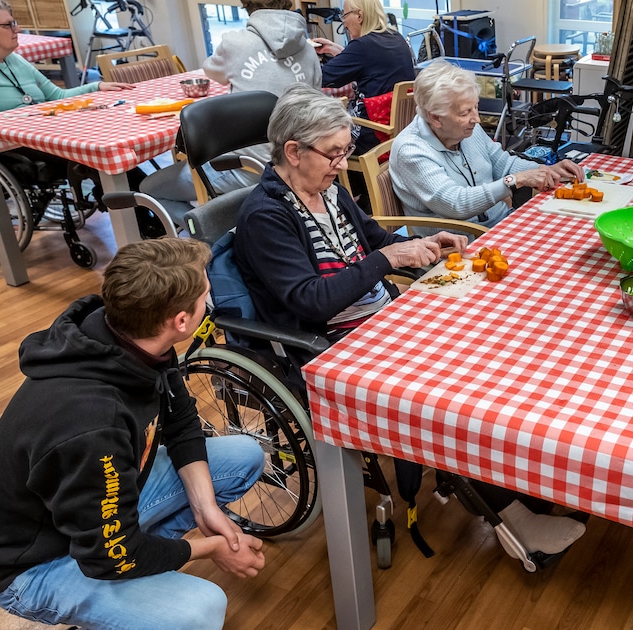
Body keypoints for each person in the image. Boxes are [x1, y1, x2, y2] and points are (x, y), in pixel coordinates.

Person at [235, 84, 586, 561]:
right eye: (334, 154)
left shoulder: (328, 191)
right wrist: (387, 256)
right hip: (328, 343)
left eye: (345, 152)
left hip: (378, 317)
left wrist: (421, 241)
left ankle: (513, 481)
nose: (342, 164)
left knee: (488, 349)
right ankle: (513, 518)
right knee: (451, 392)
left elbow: (375, 237)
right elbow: (311, 301)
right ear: (293, 152)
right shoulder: (266, 216)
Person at [0, 238, 268, 630]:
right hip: (31, 565)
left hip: (87, 514)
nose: (210, 297)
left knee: (244, 455)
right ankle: (129, 586)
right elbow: (110, 555)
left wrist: (207, 509)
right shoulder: (92, 425)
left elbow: (180, 420)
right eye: (206, 292)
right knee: (201, 609)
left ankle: (135, 574)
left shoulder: (136, 337)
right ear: (180, 320)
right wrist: (211, 549)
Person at [0, 0, 136, 211]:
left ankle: (144, 209)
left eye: (14, 23)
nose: (16, 29)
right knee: (99, 151)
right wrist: (31, 118)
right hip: (12, 144)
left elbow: (57, 95)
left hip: (42, 134)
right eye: (8, 25)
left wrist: (98, 87)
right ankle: (138, 214)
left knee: (112, 143)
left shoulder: (13, 59)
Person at [141, 0, 324, 206]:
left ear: (246, 6)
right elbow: (315, 98)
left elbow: (211, 71)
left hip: (249, 167)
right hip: (300, 163)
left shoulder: (235, 43)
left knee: (148, 189)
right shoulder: (308, 50)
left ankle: (209, 232)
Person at [389, 60, 585, 235]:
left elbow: (503, 163)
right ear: (435, 117)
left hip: (501, 225)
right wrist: (514, 181)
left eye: (475, 107)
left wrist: (545, 170)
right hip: (458, 247)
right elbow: (456, 203)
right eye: (466, 112)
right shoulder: (411, 151)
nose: (476, 119)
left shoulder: (464, 129)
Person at [311, 0, 415, 154]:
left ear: (359, 16)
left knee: (313, 142)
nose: (344, 23)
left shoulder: (362, 46)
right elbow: (367, 62)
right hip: (399, 133)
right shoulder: (396, 38)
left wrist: (306, 56)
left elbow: (320, 77)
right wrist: (336, 49)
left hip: (371, 136)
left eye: (344, 15)